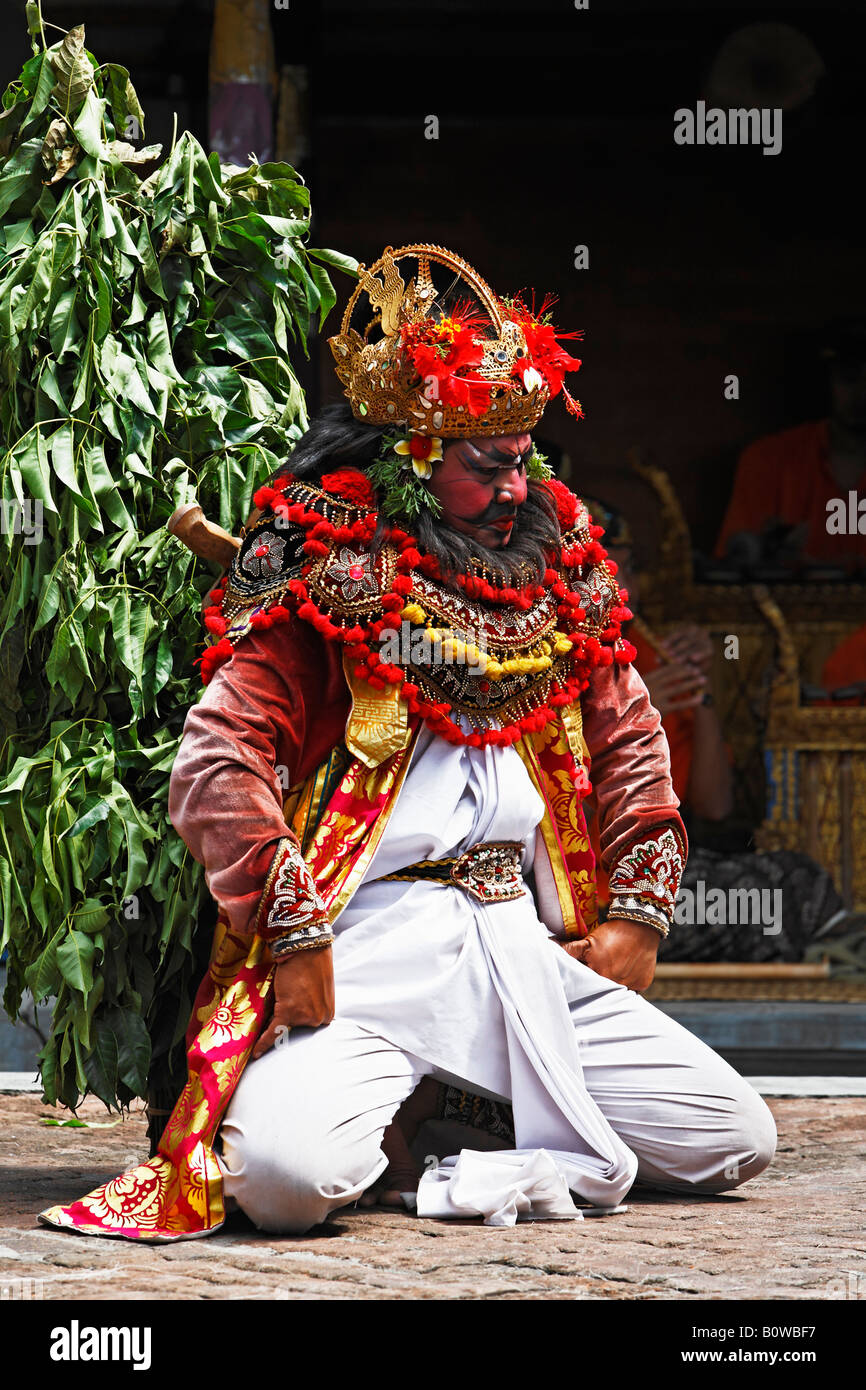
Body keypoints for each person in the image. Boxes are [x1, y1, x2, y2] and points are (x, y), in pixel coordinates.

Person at [39, 244, 775, 1241]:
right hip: (366, 944)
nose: (517, 487)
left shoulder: (556, 565)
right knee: (283, 1183)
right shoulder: (326, 568)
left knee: (730, 1137)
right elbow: (215, 762)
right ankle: (428, 1114)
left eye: (524, 460)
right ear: (415, 459)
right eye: (486, 466)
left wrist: (639, 913)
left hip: (519, 940)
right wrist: (291, 929)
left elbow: (633, 738)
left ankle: (451, 1135)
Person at [715, 318, 866, 571]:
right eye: (849, 378)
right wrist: (768, 558)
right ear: (827, 383)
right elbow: (733, 572)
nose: (863, 394)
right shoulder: (769, 459)